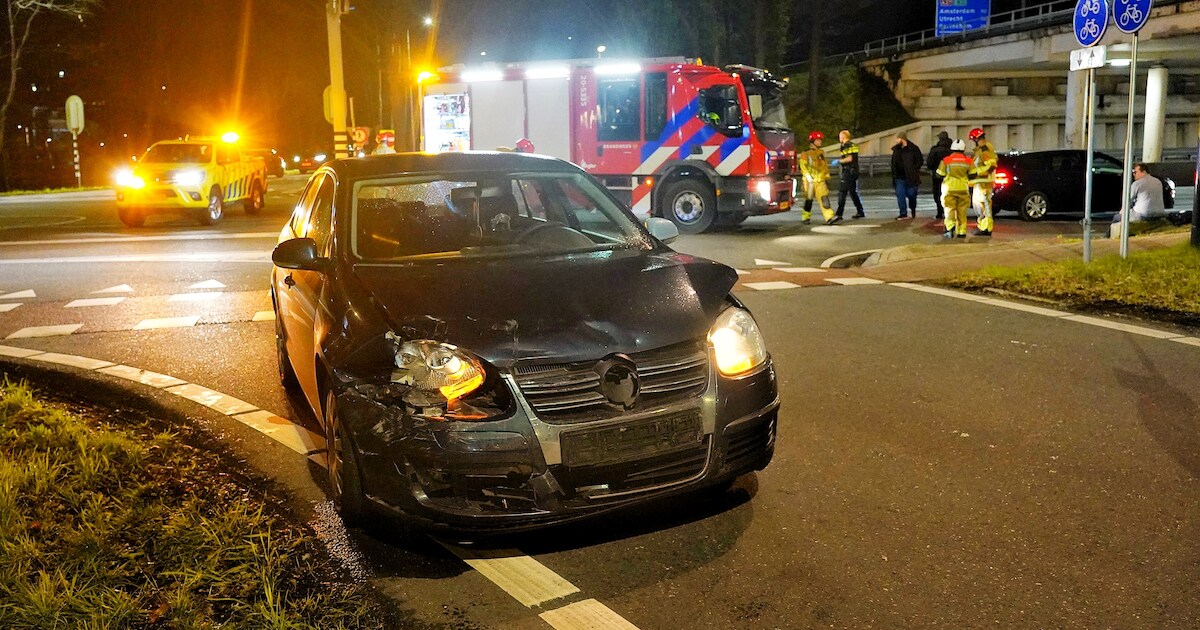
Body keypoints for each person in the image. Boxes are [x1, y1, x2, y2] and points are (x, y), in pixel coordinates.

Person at [1112, 163, 1166, 234]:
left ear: (1144, 172)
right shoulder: (1158, 182)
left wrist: (1122, 211)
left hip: (1143, 214)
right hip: (1159, 213)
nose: (1134, 174)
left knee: (1116, 217)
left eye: (1135, 172)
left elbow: (1128, 201)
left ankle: (1108, 237)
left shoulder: (1137, 184)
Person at [936, 139, 973, 239]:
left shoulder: (946, 160)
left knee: (949, 210)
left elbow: (939, 174)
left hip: (949, 189)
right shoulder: (968, 161)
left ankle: (949, 229)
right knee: (962, 211)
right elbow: (973, 174)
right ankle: (962, 231)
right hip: (963, 189)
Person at [799, 131, 835, 225]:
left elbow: (824, 167)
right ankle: (805, 217)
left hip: (820, 180)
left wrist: (826, 177)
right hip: (809, 181)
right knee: (809, 200)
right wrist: (807, 175)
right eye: (818, 140)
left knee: (824, 199)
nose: (820, 142)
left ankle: (829, 217)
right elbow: (803, 165)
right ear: (813, 141)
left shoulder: (821, 153)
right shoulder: (806, 153)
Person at [968, 127, 998, 236]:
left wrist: (977, 173)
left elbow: (991, 166)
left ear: (976, 139)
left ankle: (987, 228)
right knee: (978, 206)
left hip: (984, 182)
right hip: (980, 182)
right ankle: (982, 226)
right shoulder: (980, 150)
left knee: (984, 206)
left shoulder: (985, 149)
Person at [890, 132, 923, 220]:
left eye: (898, 139)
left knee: (911, 194)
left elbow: (919, 161)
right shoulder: (896, 150)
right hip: (899, 177)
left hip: (911, 177)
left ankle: (912, 209)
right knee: (900, 195)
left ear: (902, 139)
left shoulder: (913, 149)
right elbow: (893, 163)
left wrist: (914, 169)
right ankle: (903, 213)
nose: (896, 141)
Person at [835, 129, 865, 220]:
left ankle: (839, 214)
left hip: (848, 171)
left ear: (843, 137)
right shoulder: (852, 145)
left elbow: (850, 158)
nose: (839, 138)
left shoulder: (846, 145)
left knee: (842, 191)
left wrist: (839, 161)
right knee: (852, 192)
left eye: (840, 136)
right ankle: (860, 211)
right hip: (854, 171)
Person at [925, 131, 952, 220]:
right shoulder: (952, 149)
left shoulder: (935, 150)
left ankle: (939, 213)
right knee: (949, 195)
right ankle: (948, 212)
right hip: (950, 176)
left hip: (937, 175)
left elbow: (929, 163)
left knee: (938, 194)